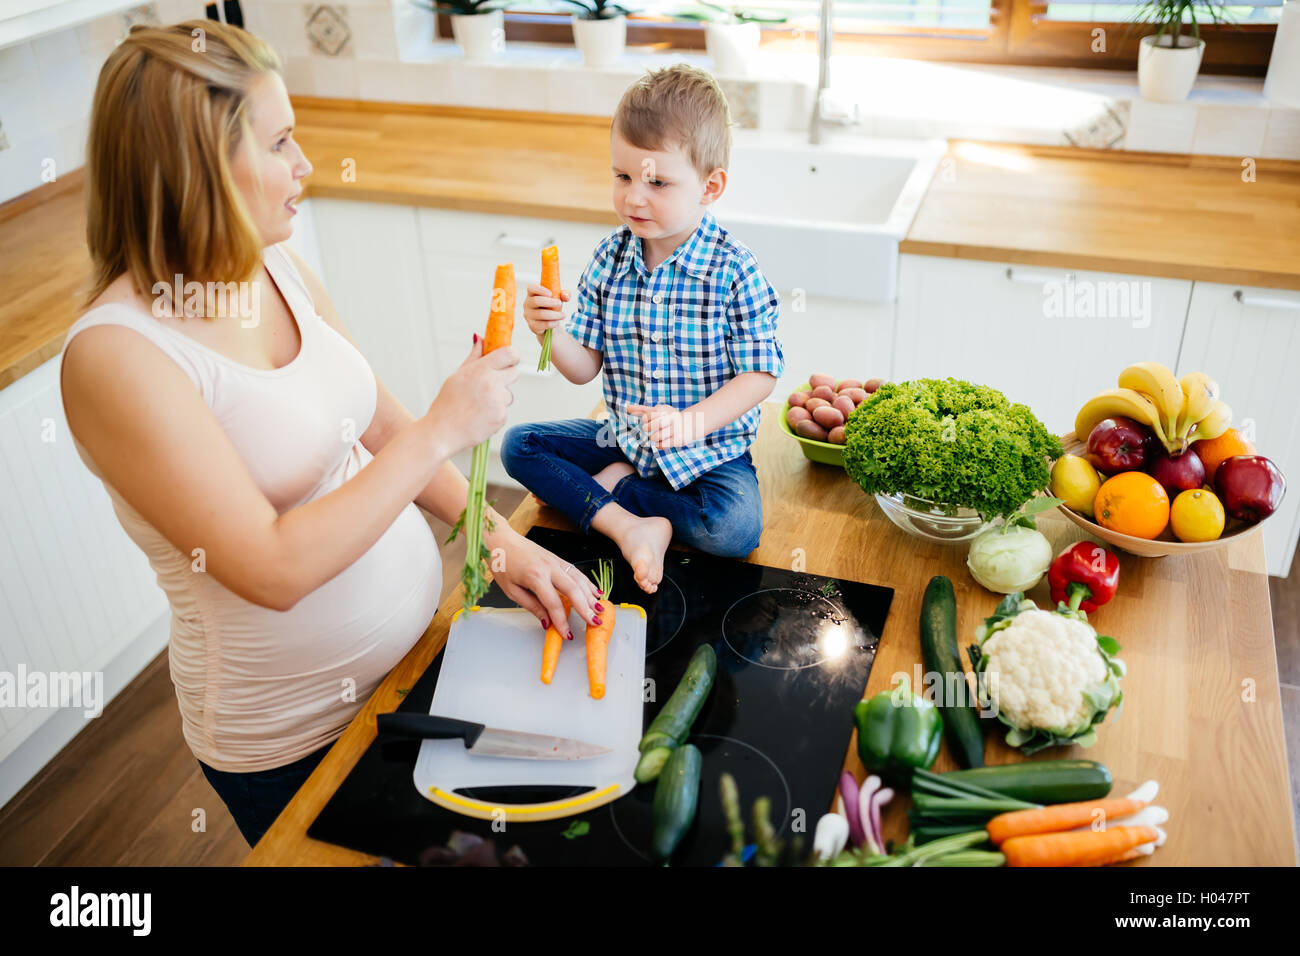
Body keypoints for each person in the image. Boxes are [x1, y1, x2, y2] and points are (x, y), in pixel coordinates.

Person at [57, 20, 602, 848]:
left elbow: (378, 426)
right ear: (199, 167)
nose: (304, 164)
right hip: (295, 743)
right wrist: (443, 428)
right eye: (279, 143)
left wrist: (499, 544)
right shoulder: (117, 359)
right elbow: (272, 569)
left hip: (417, 671)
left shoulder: (272, 266)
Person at [501, 64, 784, 595]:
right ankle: (628, 522)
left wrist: (692, 423)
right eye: (623, 176)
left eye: (657, 182)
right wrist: (548, 332)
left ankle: (616, 494)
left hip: (709, 453)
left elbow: (761, 374)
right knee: (519, 445)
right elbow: (584, 368)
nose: (634, 198)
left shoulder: (733, 269)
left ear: (710, 186)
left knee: (735, 530)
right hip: (624, 441)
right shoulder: (610, 257)